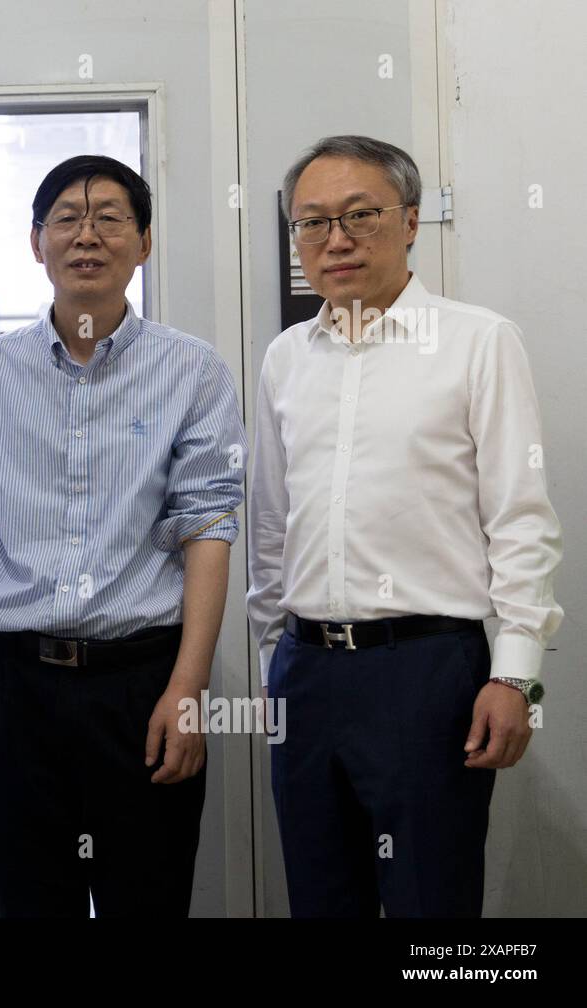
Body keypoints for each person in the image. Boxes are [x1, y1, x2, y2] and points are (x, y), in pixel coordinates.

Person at [0, 155, 246, 917]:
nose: (87, 235)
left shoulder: (194, 373)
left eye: (110, 217)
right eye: (66, 219)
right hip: (17, 687)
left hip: (143, 681)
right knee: (31, 900)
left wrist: (189, 688)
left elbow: (209, 526)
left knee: (145, 901)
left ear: (143, 242)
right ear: (36, 242)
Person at [246, 135, 563, 917]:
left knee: (431, 904)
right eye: (311, 223)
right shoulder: (286, 358)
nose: (336, 239)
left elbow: (520, 518)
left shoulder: (477, 341)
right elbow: (270, 526)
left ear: (412, 220)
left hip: (427, 673)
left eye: (361, 215)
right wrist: (269, 666)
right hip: (306, 673)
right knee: (322, 899)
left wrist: (514, 672)